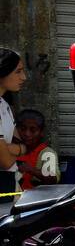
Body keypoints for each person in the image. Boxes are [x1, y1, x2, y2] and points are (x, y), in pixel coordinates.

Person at [0, 51, 27, 196]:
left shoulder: (4, 104)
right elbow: (5, 161)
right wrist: (17, 150)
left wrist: (13, 148)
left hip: (9, 183)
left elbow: (23, 145)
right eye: (18, 72)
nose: (24, 77)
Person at [15, 109, 59, 190]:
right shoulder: (10, 149)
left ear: (41, 132)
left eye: (33, 130)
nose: (27, 134)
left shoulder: (47, 153)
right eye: (23, 129)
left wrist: (30, 170)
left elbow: (52, 180)